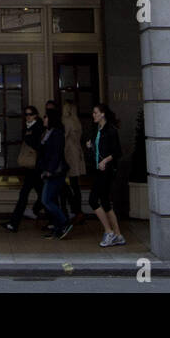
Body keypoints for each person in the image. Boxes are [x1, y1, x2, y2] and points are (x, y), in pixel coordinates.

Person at [85, 102, 125, 247]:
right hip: (97, 170)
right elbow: (95, 152)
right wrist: (90, 147)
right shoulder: (96, 129)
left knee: (93, 200)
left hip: (106, 171)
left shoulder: (111, 130)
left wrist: (105, 161)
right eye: (93, 113)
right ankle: (118, 235)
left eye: (96, 113)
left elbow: (117, 152)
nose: (93, 115)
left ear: (103, 114)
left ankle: (109, 231)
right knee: (106, 203)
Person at [0, 105, 45, 232]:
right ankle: (56, 220)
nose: (27, 116)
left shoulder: (36, 128)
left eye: (30, 114)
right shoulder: (29, 127)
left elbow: (38, 145)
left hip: (35, 167)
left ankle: (14, 223)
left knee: (27, 194)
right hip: (32, 167)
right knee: (42, 194)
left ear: (35, 115)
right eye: (26, 114)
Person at [38, 106, 72, 239]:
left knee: (46, 200)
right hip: (50, 171)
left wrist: (49, 171)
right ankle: (58, 228)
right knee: (52, 200)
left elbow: (56, 154)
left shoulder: (56, 133)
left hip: (55, 172)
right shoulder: (48, 133)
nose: (44, 119)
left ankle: (64, 223)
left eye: (45, 117)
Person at [59, 101, 87, 224]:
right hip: (77, 153)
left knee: (64, 183)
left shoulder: (67, 121)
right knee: (75, 185)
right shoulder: (77, 122)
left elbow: (63, 138)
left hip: (69, 154)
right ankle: (78, 211)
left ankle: (72, 210)